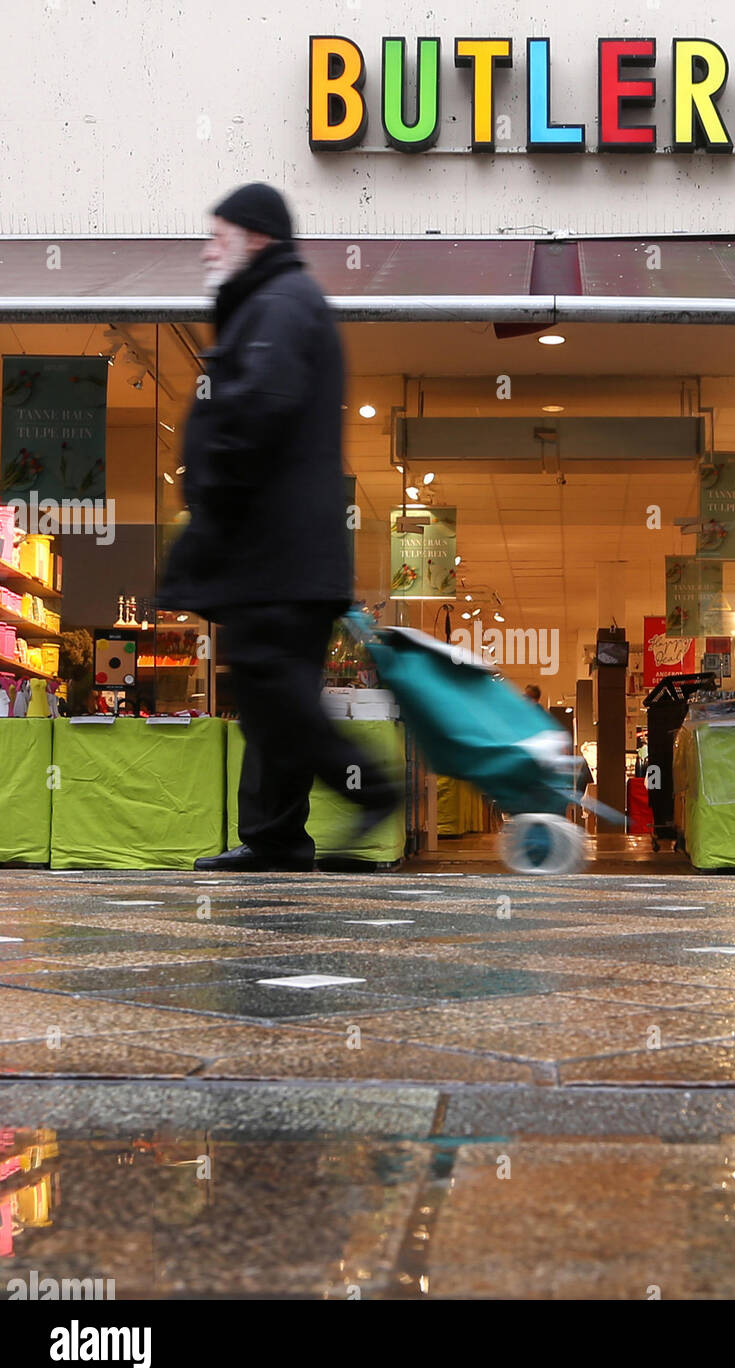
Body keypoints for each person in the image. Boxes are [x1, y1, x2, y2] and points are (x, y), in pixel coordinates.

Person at [157, 182, 398, 871]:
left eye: (218, 235)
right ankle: (276, 839)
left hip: (275, 554)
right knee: (271, 699)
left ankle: (371, 790)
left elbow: (256, 411)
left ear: (256, 236)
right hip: (282, 555)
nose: (208, 251)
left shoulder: (280, 305)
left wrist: (213, 507)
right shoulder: (275, 304)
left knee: (275, 691)